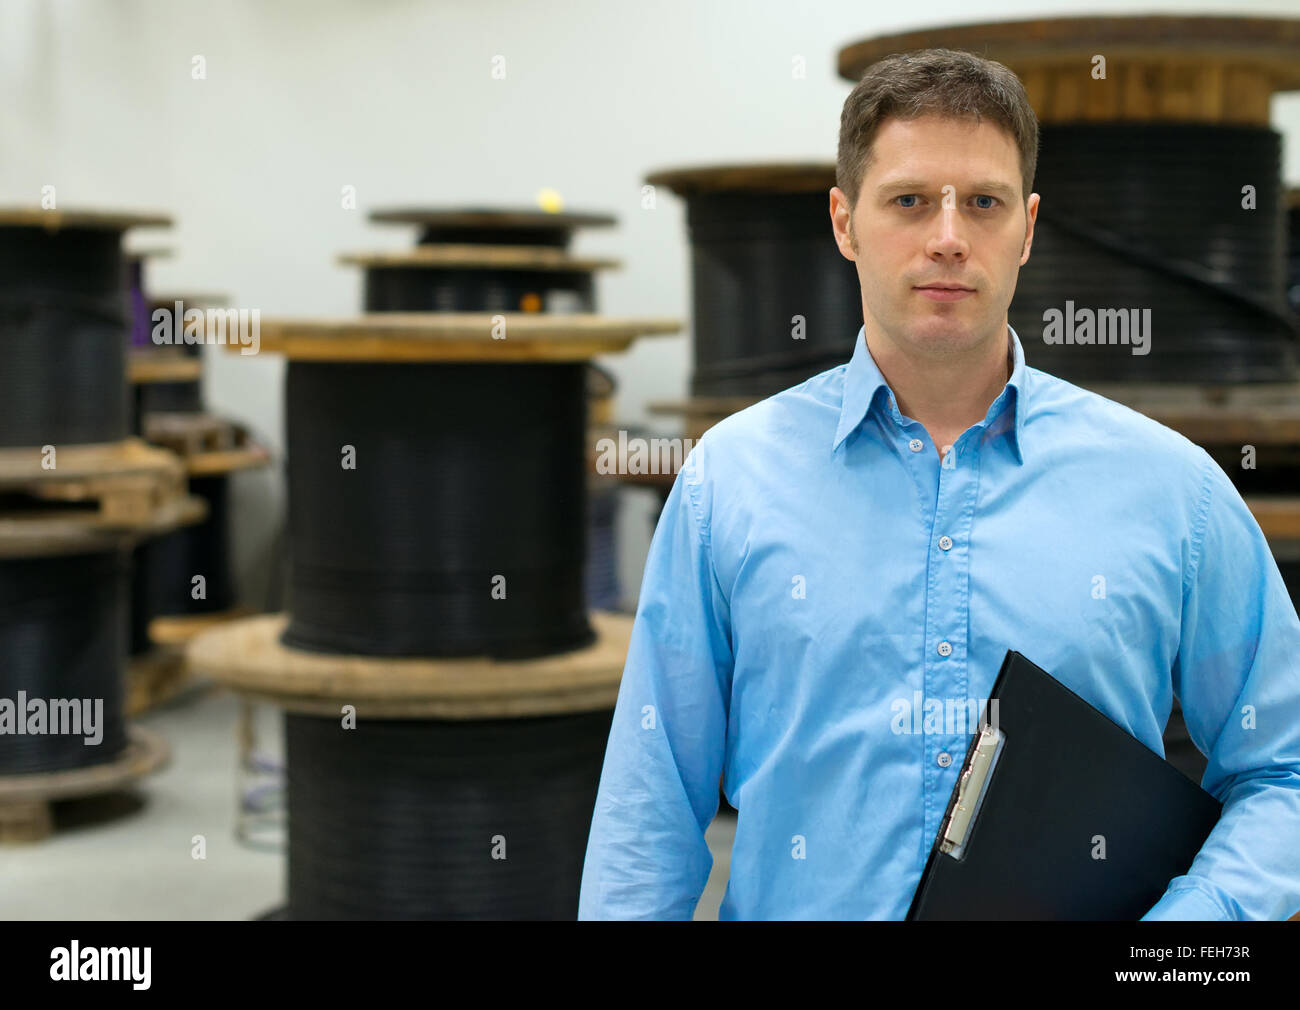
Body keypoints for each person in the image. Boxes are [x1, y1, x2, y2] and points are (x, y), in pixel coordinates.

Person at [578, 48, 1300, 920]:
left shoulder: (1172, 492)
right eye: (910, 201)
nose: (949, 236)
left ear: (1029, 229)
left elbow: (1283, 767)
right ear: (845, 222)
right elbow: (647, 815)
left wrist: (1181, 940)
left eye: (984, 203)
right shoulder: (727, 485)